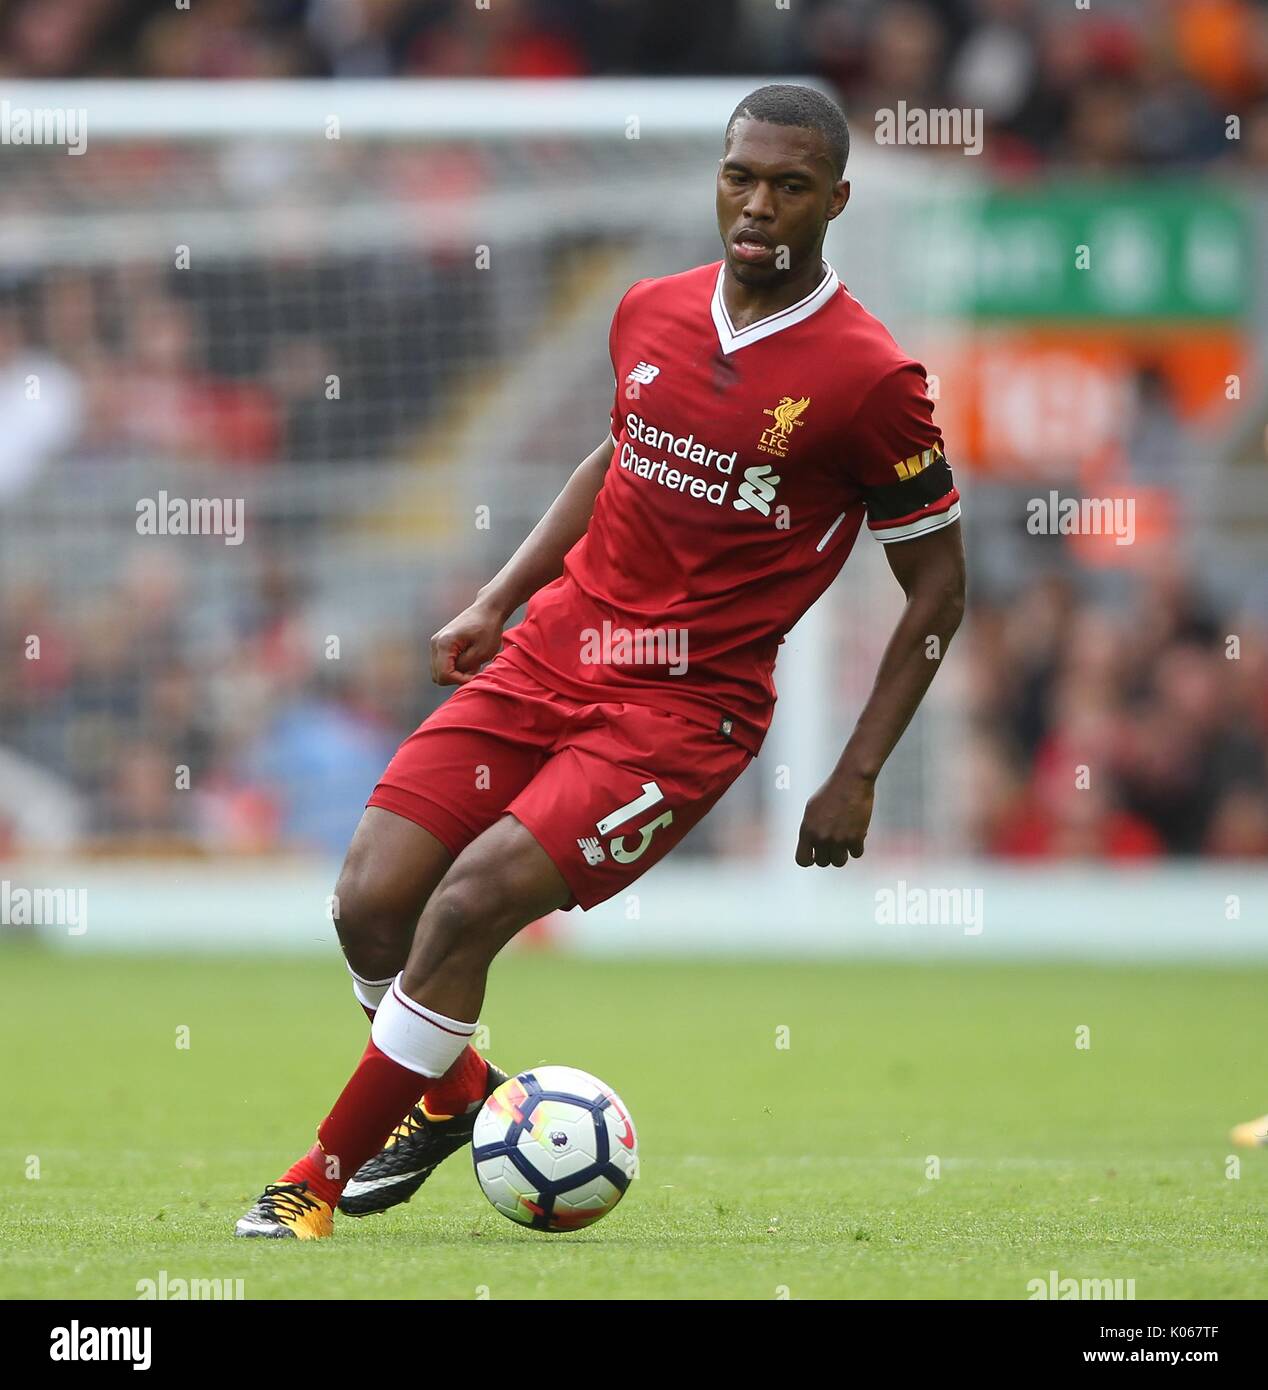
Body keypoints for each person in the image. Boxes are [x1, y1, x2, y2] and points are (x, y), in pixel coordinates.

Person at [235, 82, 967, 1238]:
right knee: (369, 900)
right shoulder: (648, 310)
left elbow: (937, 585)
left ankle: (311, 1184)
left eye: (787, 185)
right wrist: (496, 597)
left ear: (833, 197)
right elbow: (615, 456)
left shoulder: (871, 380)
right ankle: (455, 1101)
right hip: (551, 651)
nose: (757, 205)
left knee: (465, 906)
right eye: (740, 176)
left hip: (681, 714)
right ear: (716, 177)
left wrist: (858, 767)